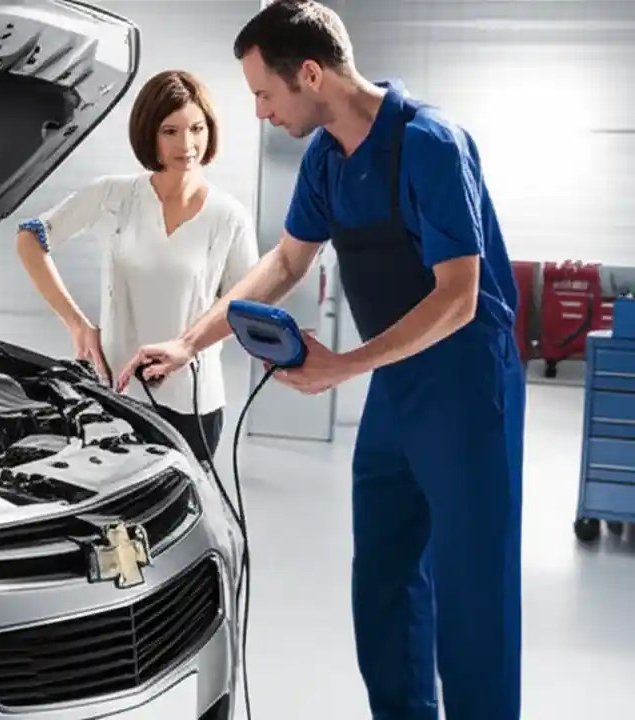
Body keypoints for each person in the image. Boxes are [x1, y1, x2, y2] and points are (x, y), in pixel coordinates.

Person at [116, 3, 525, 719]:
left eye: (265, 94)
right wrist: (189, 341)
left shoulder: (430, 142)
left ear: (310, 73)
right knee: (385, 584)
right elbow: (284, 262)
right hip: (397, 390)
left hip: (468, 387)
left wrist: (345, 366)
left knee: (473, 593)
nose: (260, 111)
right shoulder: (326, 158)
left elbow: (458, 297)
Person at [14, 69, 259, 462]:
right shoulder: (113, 195)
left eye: (197, 128)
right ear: (149, 133)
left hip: (193, 404)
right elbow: (30, 237)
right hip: (117, 396)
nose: (187, 144)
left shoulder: (229, 217)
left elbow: (244, 310)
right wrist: (77, 324)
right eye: (170, 131)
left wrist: (188, 347)